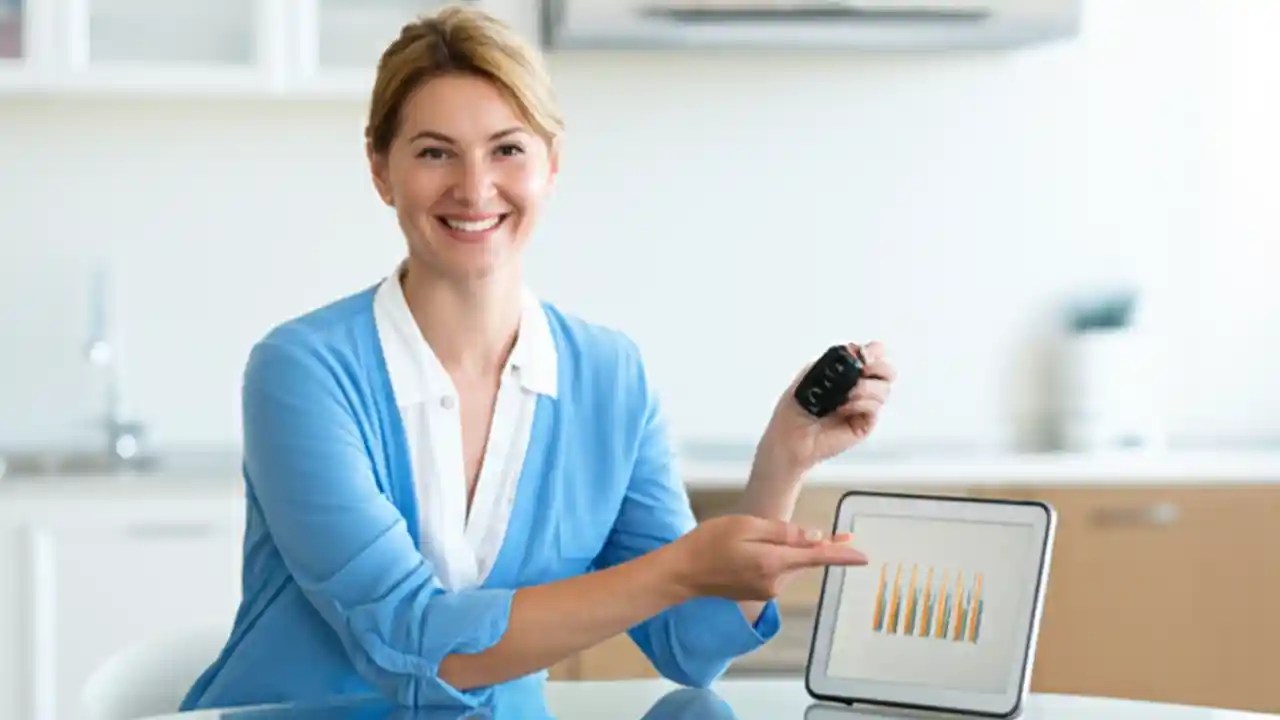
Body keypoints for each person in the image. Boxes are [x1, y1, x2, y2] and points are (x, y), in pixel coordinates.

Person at [179, 5, 896, 712]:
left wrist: (781, 464)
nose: (474, 187)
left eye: (507, 149)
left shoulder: (610, 378)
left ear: (551, 164)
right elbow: (410, 641)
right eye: (435, 152)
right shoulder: (303, 373)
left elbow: (692, 647)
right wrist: (679, 568)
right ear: (380, 170)